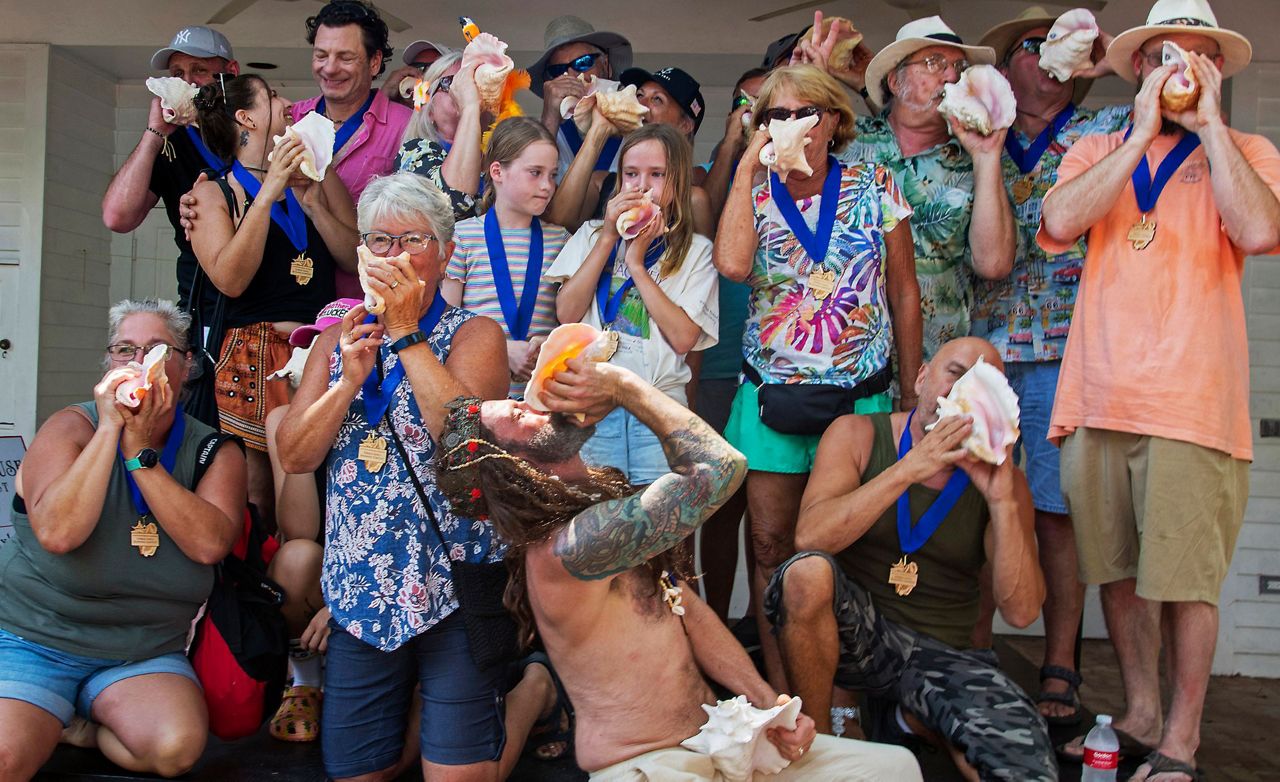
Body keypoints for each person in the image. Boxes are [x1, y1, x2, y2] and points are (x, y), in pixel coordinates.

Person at [434, 358, 925, 780]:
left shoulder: (595, 517)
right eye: (518, 412)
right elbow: (720, 468)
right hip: (647, 765)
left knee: (895, 770)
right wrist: (624, 386)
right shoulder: (570, 548)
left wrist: (768, 704)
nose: (534, 402)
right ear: (514, 466)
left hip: (714, 744)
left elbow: (682, 605)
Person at [1038, 1, 1279, 778]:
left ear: (1213, 69)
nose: (1176, 68)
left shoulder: (1246, 148)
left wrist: (1209, 126)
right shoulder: (1096, 146)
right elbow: (1062, 219)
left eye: (1194, 55)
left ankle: (1183, 737)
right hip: (1098, 397)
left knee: (1185, 580)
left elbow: (1258, 231)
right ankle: (1140, 711)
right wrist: (1139, 134)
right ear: (1137, 69)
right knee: (1115, 572)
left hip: (1192, 405)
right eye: (1161, 54)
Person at [275, 172, 560, 781]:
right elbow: (295, 455)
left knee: (458, 776)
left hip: (454, 584)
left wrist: (405, 334)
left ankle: (530, 694)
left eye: (412, 241)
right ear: (361, 252)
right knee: (359, 773)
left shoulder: (473, 333)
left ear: (446, 252)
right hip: (361, 591)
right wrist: (347, 380)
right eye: (379, 241)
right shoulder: (335, 341)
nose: (393, 256)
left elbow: (467, 444)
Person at [714, 64, 923, 689]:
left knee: (851, 544)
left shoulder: (873, 181)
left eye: (805, 112)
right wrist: (751, 163)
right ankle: (784, 693)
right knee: (772, 545)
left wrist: (910, 389)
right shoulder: (752, 189)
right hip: (771, 395)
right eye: (775, 115)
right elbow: (730, 264)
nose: (790, 126)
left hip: (858, 397)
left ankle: (845, 691)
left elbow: (905, 291)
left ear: (833, 121)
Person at [766, 336, 1052, 781]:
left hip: (944, 652)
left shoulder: (1006, 482)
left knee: (1020, 756)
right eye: (955, 375)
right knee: (805, 575)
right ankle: (821, 747)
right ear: (921, 377)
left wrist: (1002, 501)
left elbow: (1021, 611)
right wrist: (910, 467)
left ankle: (905, 720)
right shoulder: (858, 434)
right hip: (860, 637)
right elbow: (810, 536)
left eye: (984, 387)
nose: (962, 394)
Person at [0, 299, 246, 779]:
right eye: (125, 350)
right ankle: (47, 714)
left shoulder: (212, 450)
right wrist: (112, 426)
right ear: (109, 363)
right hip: (34, 637)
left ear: (186, 364)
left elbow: (208, 545)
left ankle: (76, 724)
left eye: (156, 349)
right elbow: (57, 532)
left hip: (143, 647)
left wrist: (140, 454)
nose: (138, 363)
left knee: (175, 750)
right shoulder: (71, 426)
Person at [968, 8, 1128, 727]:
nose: (1051, 57)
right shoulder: (972, 132)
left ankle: (1060, 662)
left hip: (1072, 352)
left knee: (1059, 518)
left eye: (1060, 47)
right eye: (1033, 46)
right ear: (1005, 67)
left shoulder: (1108, 129)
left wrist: (1105, 63)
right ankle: (968, 653)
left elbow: (1171, 109)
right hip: (982, 348)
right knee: (973, 503)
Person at [186, 74, 357, 527]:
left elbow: (353, 258)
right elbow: (230, 279)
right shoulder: (213, 193)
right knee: (258, 500)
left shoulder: (319, 170)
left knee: (325, 485)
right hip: (249, 357)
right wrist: (268, 191)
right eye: (273, 97)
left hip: (320, 348)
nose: (288, 103)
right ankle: (254, 594)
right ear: (246, 117)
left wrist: (314, 203)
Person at [797, 14, 1016, 359]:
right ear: (895, 83)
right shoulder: (844, 143)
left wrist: (987, 159)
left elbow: (994, 265)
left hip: (933, 363)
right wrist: (808, 83)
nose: (950, 75)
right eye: (934, 63)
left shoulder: (977, 158)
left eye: (959, 67)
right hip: (841, 358)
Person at [548, 123, 719, 487]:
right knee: (594, 519)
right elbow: (566, 312)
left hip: (657, 407)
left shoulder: (696, 252)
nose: (641, 186)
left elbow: (684, 339)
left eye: (657, 174)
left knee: (657, 527)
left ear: (678, 183)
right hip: (589, 405)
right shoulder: (592, 234)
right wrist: (609, 238)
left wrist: (638, 265)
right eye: (631, 174)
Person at [101, 26, 239, 322]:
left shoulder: (257, 127)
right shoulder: (171, 141)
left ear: (231, 73)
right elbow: (117, 217)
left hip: (267, 302)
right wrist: (155, 133)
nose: (188, 82)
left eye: (199, 70)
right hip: (201, 302)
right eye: (177, 75)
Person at [441, 117, 568, 399]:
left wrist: (551, 344)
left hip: (542, 396)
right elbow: (446, 322)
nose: (547, 185)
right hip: (476, 392)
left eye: (553, 175)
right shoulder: (462, 237)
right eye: (535, 172)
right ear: (497, 171)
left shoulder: (561, 240)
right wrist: (502, 350)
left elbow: (570, 322)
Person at [291, 0, 412, 297]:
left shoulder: (406, 126)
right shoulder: (290, 119)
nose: (330, 68)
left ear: (374, 62)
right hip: (292, 299)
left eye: (345, 57)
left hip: (366, 301)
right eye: (321, 55)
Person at [545, 67, 715, 235]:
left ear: (685, 125)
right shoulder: (602, 182)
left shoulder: (694, 200)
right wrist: (598, 130)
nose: (641, 103)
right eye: (639, 95)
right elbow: (559, 223)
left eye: (657, 99)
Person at [527, 15, 633, 178]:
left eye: (583, 63)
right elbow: (531, 184)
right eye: (557, 70)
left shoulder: (636, 121)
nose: (571, 76)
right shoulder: (550, 130)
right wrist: (550, 116)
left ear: (606, 67)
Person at [395, 52, 488, 221]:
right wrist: (470, 107)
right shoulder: (414, 152)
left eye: (475, 82)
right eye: (451, 83)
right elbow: (453, 202)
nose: (468, 90)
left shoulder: (500, 153)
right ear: (429, 110)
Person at [383, 38, 454, 109]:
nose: (421, 75)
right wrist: (385, 93)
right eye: (416, 66)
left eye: (431, 68)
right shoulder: (400, 111)